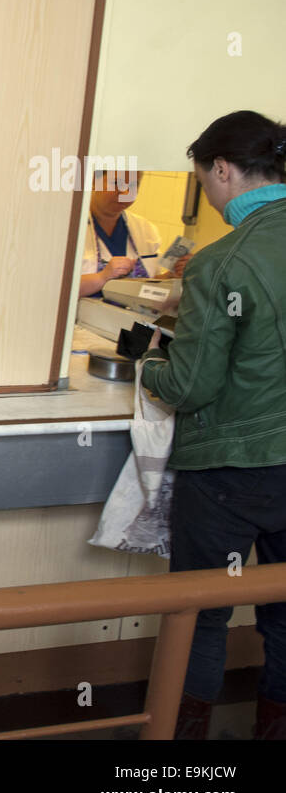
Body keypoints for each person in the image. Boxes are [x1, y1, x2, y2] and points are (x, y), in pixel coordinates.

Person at [139, 110, 286, 740]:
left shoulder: (220, 262)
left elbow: (191, 384)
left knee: (198, 613)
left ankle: (181, 759)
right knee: (284, 612)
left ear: (222, 170)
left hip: (229, 471)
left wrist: (148, 365)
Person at [78, 169, 188, 298]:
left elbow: (147, 283)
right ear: (93, 182)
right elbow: (56, 287)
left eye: (133, 186)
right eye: (117, 183)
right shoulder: (71, 228)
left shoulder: (145, 229)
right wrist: (102, 277)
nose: (125, 193)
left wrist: (170, 276)